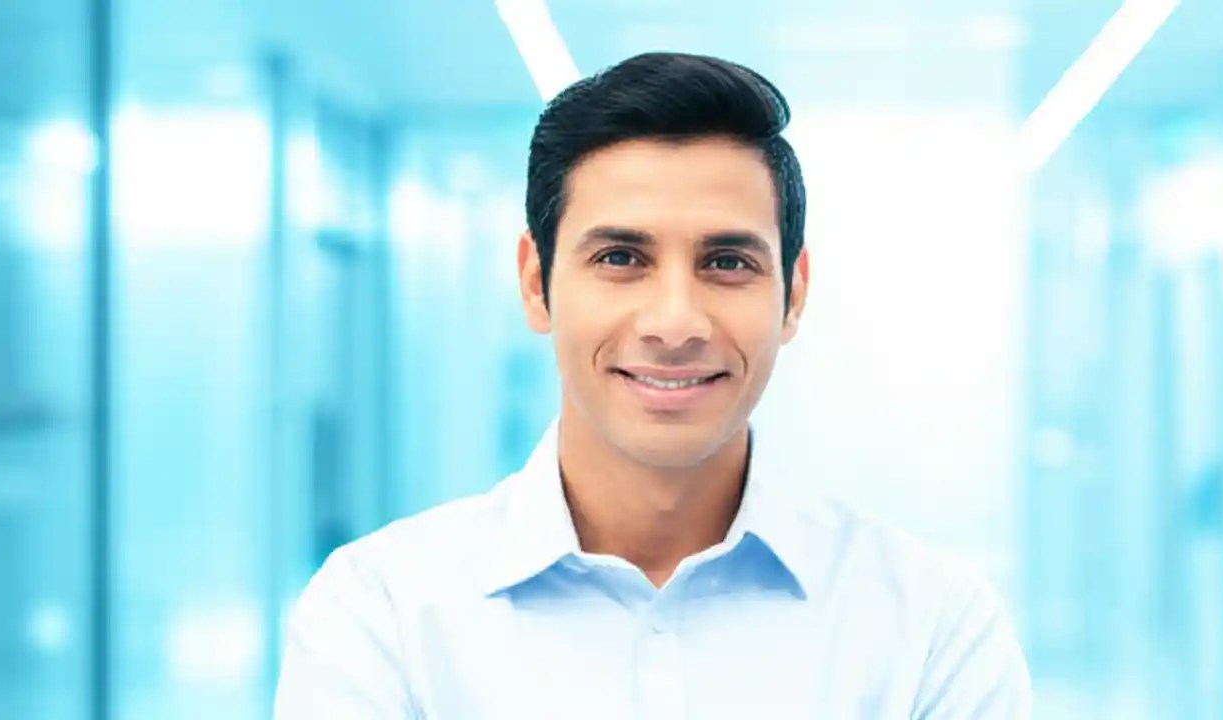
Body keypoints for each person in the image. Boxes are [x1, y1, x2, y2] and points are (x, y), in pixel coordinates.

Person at [274, 51, 1031, 719]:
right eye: (620, 259)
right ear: (537, 285)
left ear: (792, 295)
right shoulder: (381, 616)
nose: (675, 322)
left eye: (727, 262)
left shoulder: (931, 626)